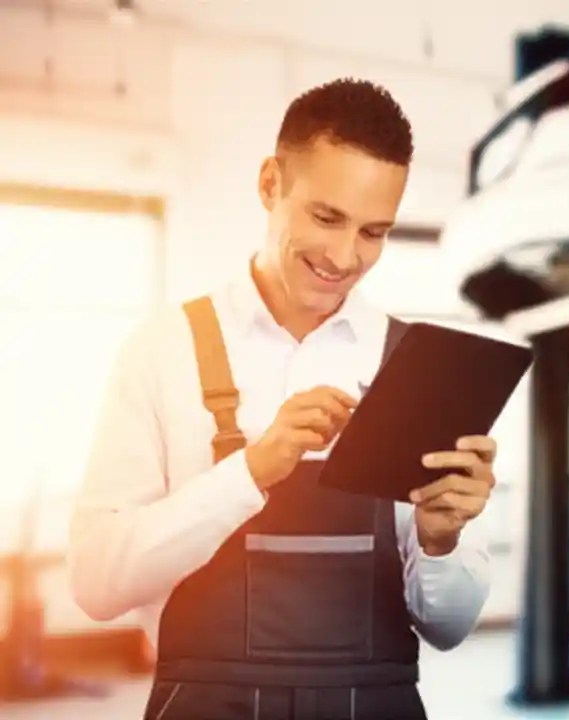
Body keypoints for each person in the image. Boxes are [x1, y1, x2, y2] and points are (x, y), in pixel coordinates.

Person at [68, 78, 495, 720]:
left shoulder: (417, 368)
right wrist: (248, 472)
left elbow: (449, 629)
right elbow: (97, 585)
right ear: (270, 184)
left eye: (373, 231)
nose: (345, 256)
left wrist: (440, 544)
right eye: (326, 217)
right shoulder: (163, 349)